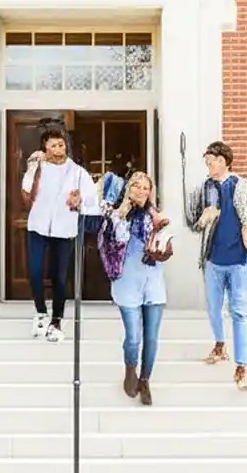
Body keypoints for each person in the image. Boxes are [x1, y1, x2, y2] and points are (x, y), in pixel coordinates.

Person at [184, 141, 247, 390]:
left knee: (240, 313)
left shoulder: (246, 189)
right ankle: (220, 345)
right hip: (213, 260)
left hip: (240, 261)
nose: (208, 164)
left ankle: (241, 367)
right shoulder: (202, 190)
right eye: (206, 161)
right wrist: (202, 219)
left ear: (223, 161)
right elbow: (193, 223)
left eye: (211, 160)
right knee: (213, 309)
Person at [21, 127, 99, 343]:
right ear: (45, 148)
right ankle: (40, 312)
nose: (58, 149)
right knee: (35, 272)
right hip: (38, 226)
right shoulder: (38, 167)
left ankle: (56, 320)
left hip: (64, 230)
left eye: (61, 145)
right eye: (53, 145)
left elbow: (93, 202)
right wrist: (32, 166)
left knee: (59, 277)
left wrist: (80, 201)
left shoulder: (78, 172)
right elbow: (26, 191)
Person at [102, 171, 173, 406]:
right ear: (129, 188)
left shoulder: (157, 216)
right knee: (133, 337)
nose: (142, 191)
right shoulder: (117, 215)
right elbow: (114, 240)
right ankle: (130, 370)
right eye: (137, 186)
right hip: (127, 282)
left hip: (152, 282)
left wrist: (162, 244)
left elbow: (166, 245)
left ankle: (145, 380)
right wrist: (122, 212)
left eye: (146, 187)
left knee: (151, 338)